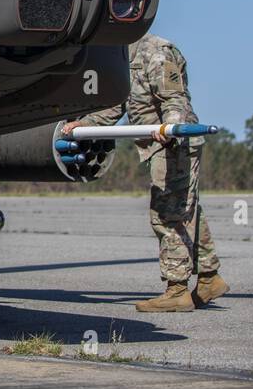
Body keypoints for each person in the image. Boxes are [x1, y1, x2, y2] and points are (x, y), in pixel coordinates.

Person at [64, 33, 227, 312]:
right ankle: (209, 278)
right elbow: (116, 106)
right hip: (159, 145)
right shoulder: (120, 56)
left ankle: (176, 290)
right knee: (186, 210)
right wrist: (83, 123)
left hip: (175, 143)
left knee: (167, 214)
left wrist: (170, 126)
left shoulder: (156, 51)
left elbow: (174, 99)